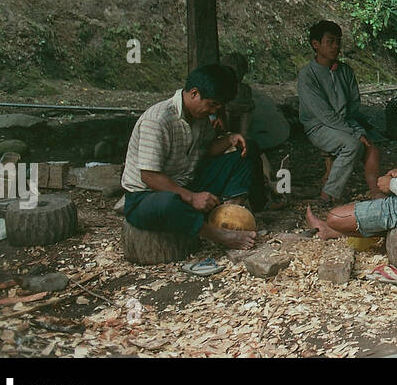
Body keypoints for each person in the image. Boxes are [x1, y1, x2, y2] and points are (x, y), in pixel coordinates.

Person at [305, 61, 397, 283]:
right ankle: (337, 232)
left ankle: (330, 228)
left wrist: (391, 185)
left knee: (335, 216)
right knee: (360, 211)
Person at [121, 64, 257, 250]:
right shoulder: (157, 120)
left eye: (218, 107)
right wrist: (192, 198)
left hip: (186, 184)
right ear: (194, 93)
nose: (213, 111)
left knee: (242, 155)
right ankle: (220, 235)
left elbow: (206, 150)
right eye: (212, 105)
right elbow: (149, 176)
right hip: (147, 197)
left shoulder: (200, 117)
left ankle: (229, 212)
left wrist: (229, 140)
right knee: (169, 203)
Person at [297, 20, 381, 205]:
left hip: (345, 122)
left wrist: (355, 128)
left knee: (371, 147)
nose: (336, 46)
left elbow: (353, 105)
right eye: (330, 41)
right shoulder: (307, 75)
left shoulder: (345, 71)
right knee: (352, 145)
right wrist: (354, 132)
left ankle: (376, 192)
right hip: (318, 126)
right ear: (316, 44)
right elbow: (324, 115)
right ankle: (328, 195)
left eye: (338, 41)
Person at [221, 51, 292, 210]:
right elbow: (224, 118)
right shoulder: (222, 92)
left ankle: (270, 187)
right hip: (224, 138)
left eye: (240, 71)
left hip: (240, 136)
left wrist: (244, 137)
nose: (237, 75)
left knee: (256, 154)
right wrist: (228, 137)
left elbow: (246, 116)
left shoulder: (244, 91)